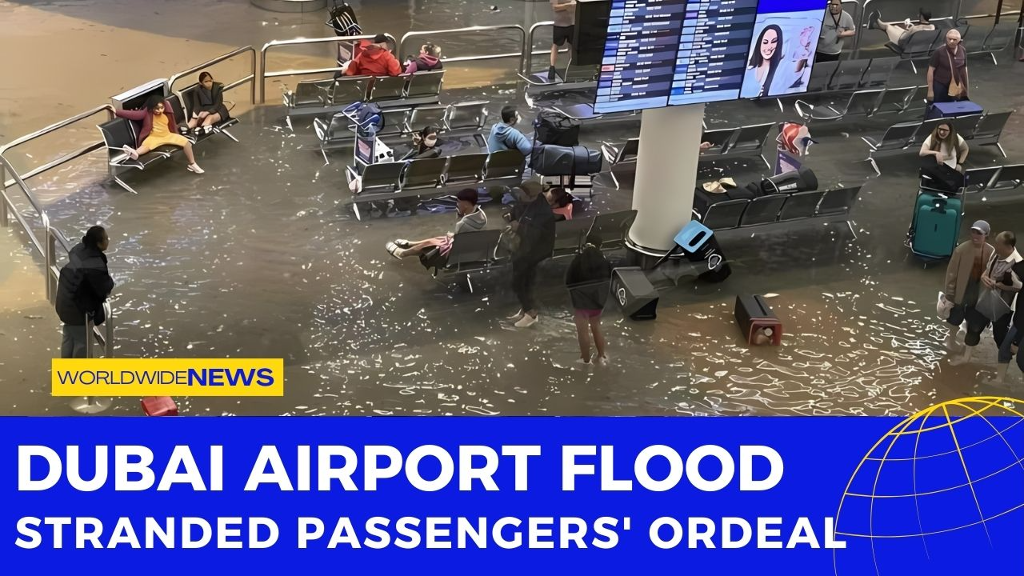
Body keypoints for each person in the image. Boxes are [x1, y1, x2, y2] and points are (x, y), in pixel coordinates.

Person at [55, 226, 115, 359]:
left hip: (64, 303)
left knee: (68, 338)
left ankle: (65, 371)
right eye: (106, 238)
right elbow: (104, 286)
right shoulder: (95, 264)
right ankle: (78, 375)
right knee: (82, 343)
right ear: (99, 243)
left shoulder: (79, 250)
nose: (108, 240)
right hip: (78, 311)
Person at [385, 188, 486, 260]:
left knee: (430, 244)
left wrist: (453, 236)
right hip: (474, 246)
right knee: (440, 238)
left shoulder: (463, 224)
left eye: (459, 202)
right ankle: (411, 244)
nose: (457, 204)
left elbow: (457, 243)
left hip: (460, 253)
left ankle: (402, 253)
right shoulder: (481, 214)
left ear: (466, 204)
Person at [944, 221, 994, 365]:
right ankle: (951, 341)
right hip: (962, 290)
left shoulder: (991, 252)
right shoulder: (961, 249)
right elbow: (952, 273)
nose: (975, 236)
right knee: (954, 317)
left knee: (975, 324)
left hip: (980, 292)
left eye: (979, 233)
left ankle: (967, 355)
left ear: (986, 235)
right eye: (973, 231)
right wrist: (950, 294)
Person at [507, 181, 556, 328]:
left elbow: (534, 234)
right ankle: (525, 308)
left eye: (522, 194)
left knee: (519, 282)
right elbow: (518, 212)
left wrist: (519, 227)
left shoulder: (543, 212)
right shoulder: (528, 203)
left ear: (532, 195)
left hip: (533, 252)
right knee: (523, 281)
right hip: (523, 250)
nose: (519, 196)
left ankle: (531, 312)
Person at [116, 94, 204, 174]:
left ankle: (192, 163)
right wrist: (116, 111)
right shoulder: (147, 114)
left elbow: (169, 114)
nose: (160, 110)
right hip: (154, 136)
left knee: (186, 142)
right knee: (146, 145)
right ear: (151, 108)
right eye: (156, 108)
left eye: (162, 108)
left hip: (167, 135)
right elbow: (134, 114)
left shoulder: (166, 113)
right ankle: (135, 153)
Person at [566, 240, 612, 366]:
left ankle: (585, 360)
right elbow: (609, 278)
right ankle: (601, 355)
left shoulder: (578, 261)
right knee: (596, 327)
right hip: (597, 302)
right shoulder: (604, 261)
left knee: (583, 332)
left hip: (581, 303)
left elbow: (568, 281)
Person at [918, 121, 969, 192]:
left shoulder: (955, 137)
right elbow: (922, 152)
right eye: (940, 129)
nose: (942, 132)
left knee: (959, 183)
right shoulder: (932, 136)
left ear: (950, 131)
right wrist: (936, 153)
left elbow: (965, 149)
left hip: (951, 169)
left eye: (945, 130)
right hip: (937, 168)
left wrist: (960, 163)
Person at [741, 25, 789, 98]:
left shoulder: (782, 68)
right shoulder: (748, 70)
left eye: (773, 41)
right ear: (759, 44)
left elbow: (796, 69)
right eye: (765, 42)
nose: (769, 47)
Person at [927, 29, 968, 103]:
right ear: (946, 39)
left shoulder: (962, 51)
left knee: (954, 107)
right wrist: (930, 90)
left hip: (956, 84)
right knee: (938, 106)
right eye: (949, 39)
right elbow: (931, 70)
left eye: (954, 39)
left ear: (959, 40)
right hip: (940, 84)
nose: (951, 41)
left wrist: (965, 88)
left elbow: (964, 69)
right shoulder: (939, 51)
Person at [185, 71, 230, 136]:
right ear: (201, 83)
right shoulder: (197, 89)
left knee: (210, 118)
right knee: (194, 120)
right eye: (206, 82)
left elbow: (218, 104)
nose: (209, 83)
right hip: (204, 110)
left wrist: (208, 112)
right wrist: (195, 115)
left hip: (218, 110)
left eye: (210, 81)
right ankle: (185, 129)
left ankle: (203, 129)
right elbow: (196, 105)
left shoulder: (218, 87)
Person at [868, 8, 935, 46]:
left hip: (903, 42)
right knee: (896, 27)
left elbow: (903, 38)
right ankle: (873, 25)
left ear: (922, 16)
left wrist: (908, 28)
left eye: (919, 14)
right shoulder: (932, 27)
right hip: (916, 43)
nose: (917, 15)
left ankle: (876, 20)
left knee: (888, 26)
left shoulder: (914, 29)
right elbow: (921, 31)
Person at [549, 0, 576, 81]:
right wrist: (569, 5)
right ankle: (552, 67)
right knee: (555, 45)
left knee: (572, 46)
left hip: (572, 23)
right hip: (559, 24)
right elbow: (555, 7)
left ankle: (572, 67)